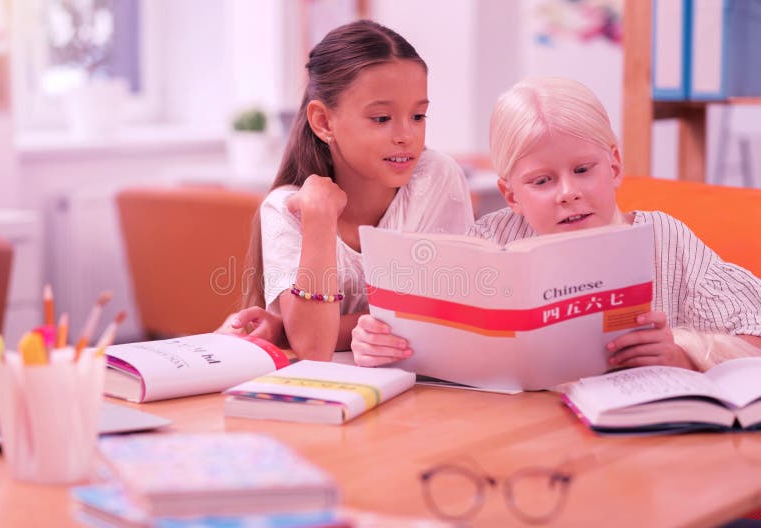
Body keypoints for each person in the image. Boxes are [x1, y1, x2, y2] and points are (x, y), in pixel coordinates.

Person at [351, 76, 761, 370]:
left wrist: (682, 352)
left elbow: (754, 335)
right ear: (511, 195)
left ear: (614, 166)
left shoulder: (664, 238)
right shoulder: (488, 241)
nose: (567, 192)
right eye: (542, 181)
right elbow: (426, 339)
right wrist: (377, 341)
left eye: (583, 170)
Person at [217, 20, 474, 360]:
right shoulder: (288, 208)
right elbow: (313, 347)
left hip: (426, 384)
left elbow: (453, 313)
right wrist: (320, 221)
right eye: (382, 119)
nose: (406, 135)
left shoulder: (435, 178)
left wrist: (292, 328)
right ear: (324, 122)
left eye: (418, 116)